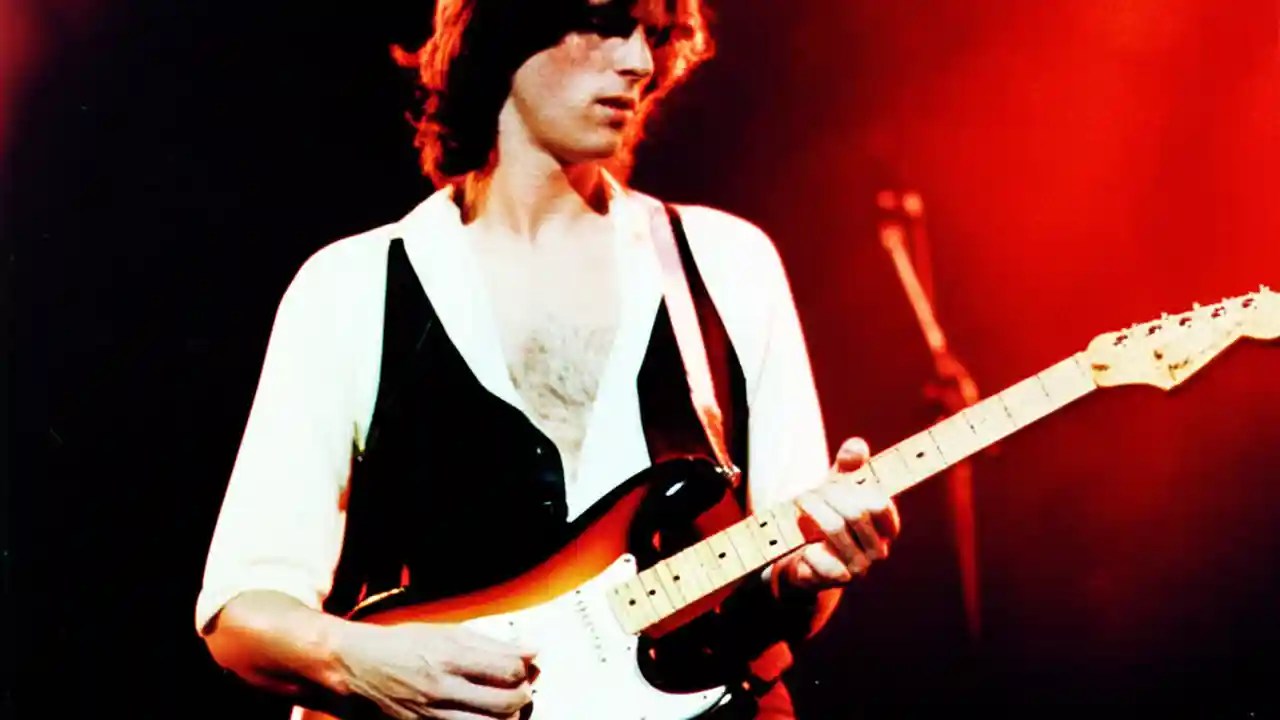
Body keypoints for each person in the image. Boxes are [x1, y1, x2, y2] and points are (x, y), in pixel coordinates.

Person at [194, 1, 902, 718]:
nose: (640, 62)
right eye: (603, 21)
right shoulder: (351, 286)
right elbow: (242, 613)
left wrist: (803, 578)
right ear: (496, 25)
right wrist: (367, 663)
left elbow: (793, 577)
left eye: (652, 34)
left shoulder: (727, 263)